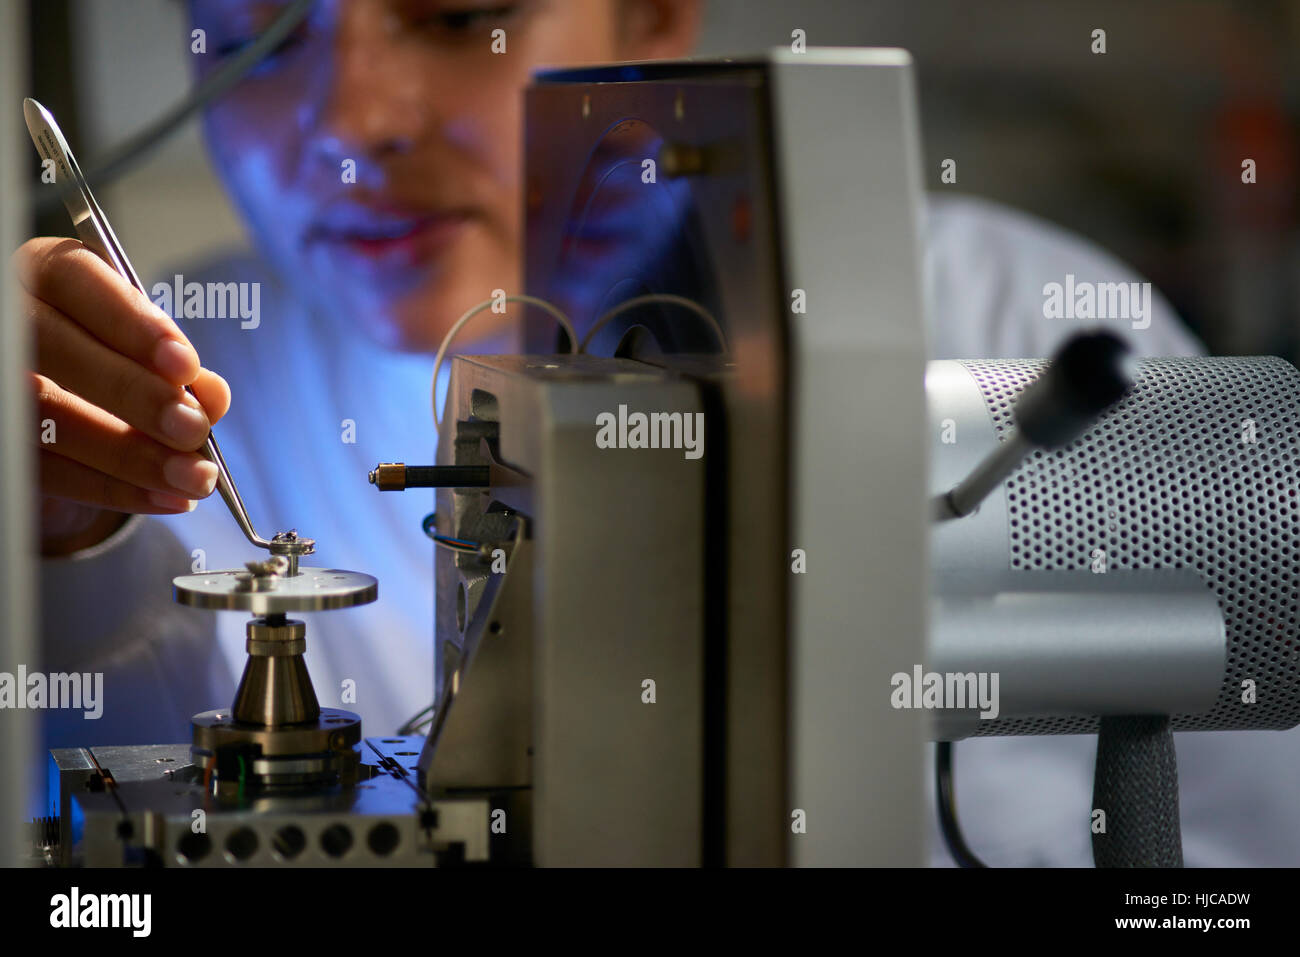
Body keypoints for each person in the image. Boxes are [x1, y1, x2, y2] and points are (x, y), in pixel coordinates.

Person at [15, 0, 1290, 865]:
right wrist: (54, 539)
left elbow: (1250, 844)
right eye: (256, 42)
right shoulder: (132, 382)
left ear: (657, 16)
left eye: (461, 14)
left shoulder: (1016, 323)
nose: (351, 126)